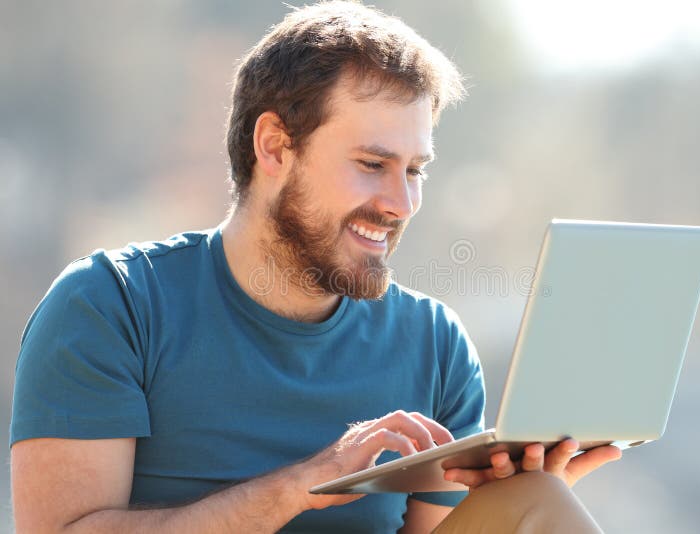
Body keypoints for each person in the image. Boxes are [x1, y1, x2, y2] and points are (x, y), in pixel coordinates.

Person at [9, 2, 621, 532]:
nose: (400, 204)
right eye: (372, 163)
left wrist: (506, 503)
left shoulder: (433, 346)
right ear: (275, 147)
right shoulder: (111, 306)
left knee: (535, 495)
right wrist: (300, 487)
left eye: (415, 170)